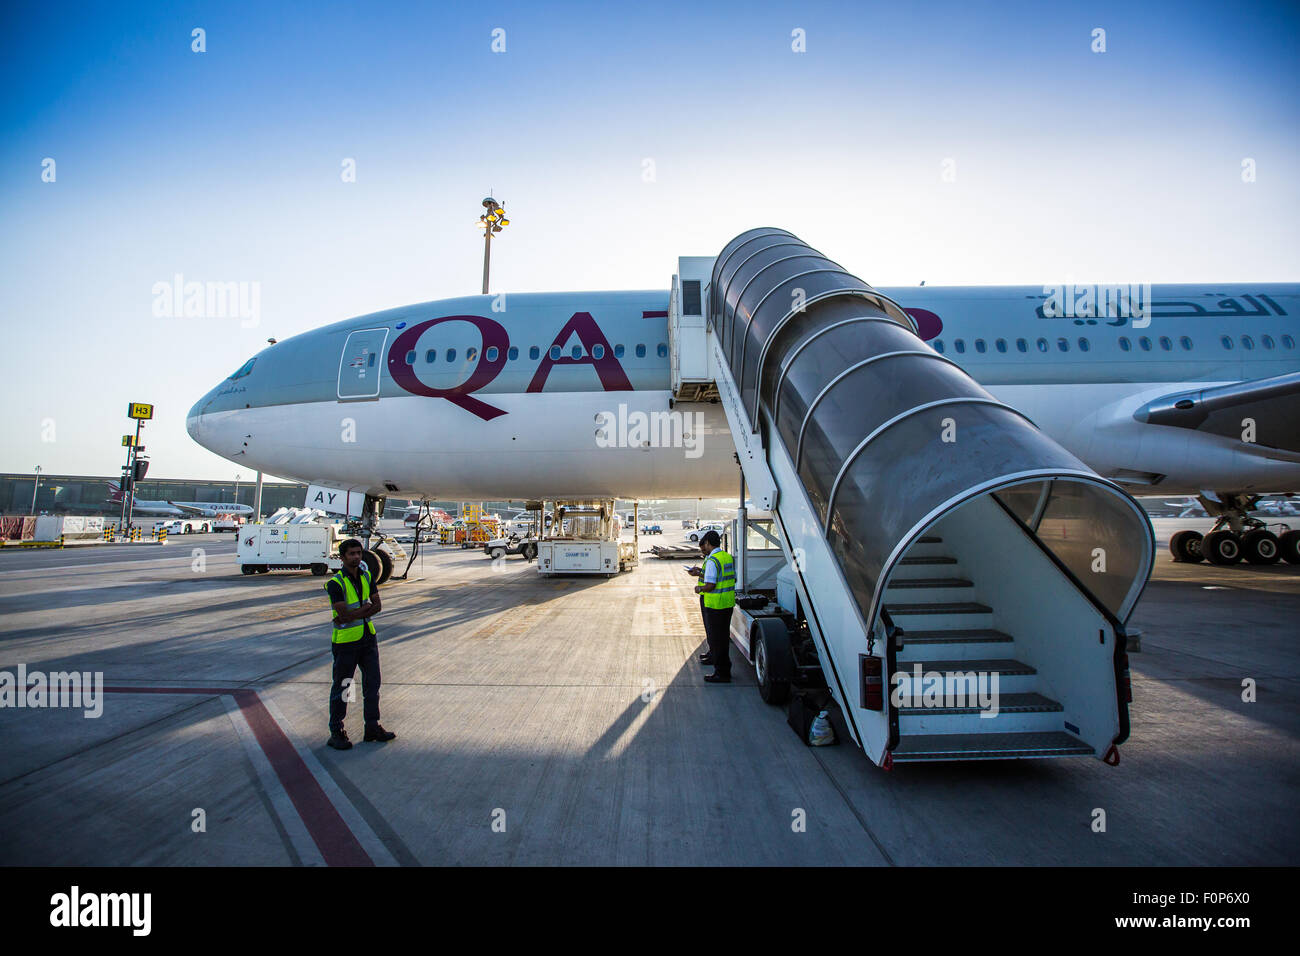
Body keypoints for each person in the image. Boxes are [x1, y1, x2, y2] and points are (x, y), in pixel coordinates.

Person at [325, 539, 396, 749]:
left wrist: (355, 613)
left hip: (368, 638)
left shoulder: (366, 576)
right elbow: (344, 616)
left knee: (372, 686)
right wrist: (363, 610)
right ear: (342, 557)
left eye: (358, 553)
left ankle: (372, 727)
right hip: (346, 643)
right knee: (345, 687)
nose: (356, 557)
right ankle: (336, 731)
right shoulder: (335, 583)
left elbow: (378, 606)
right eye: (352, 554)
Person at [693, 530, 736, 683]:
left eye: (704, 544)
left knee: (717, 640)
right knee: (722, 639)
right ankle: (721, 665)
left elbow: (711, 585)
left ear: (708, 543)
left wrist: (699, 588)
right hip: (727, 603)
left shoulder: (712, 560)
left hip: (716, 605)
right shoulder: (726, 557)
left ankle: (722, 673)